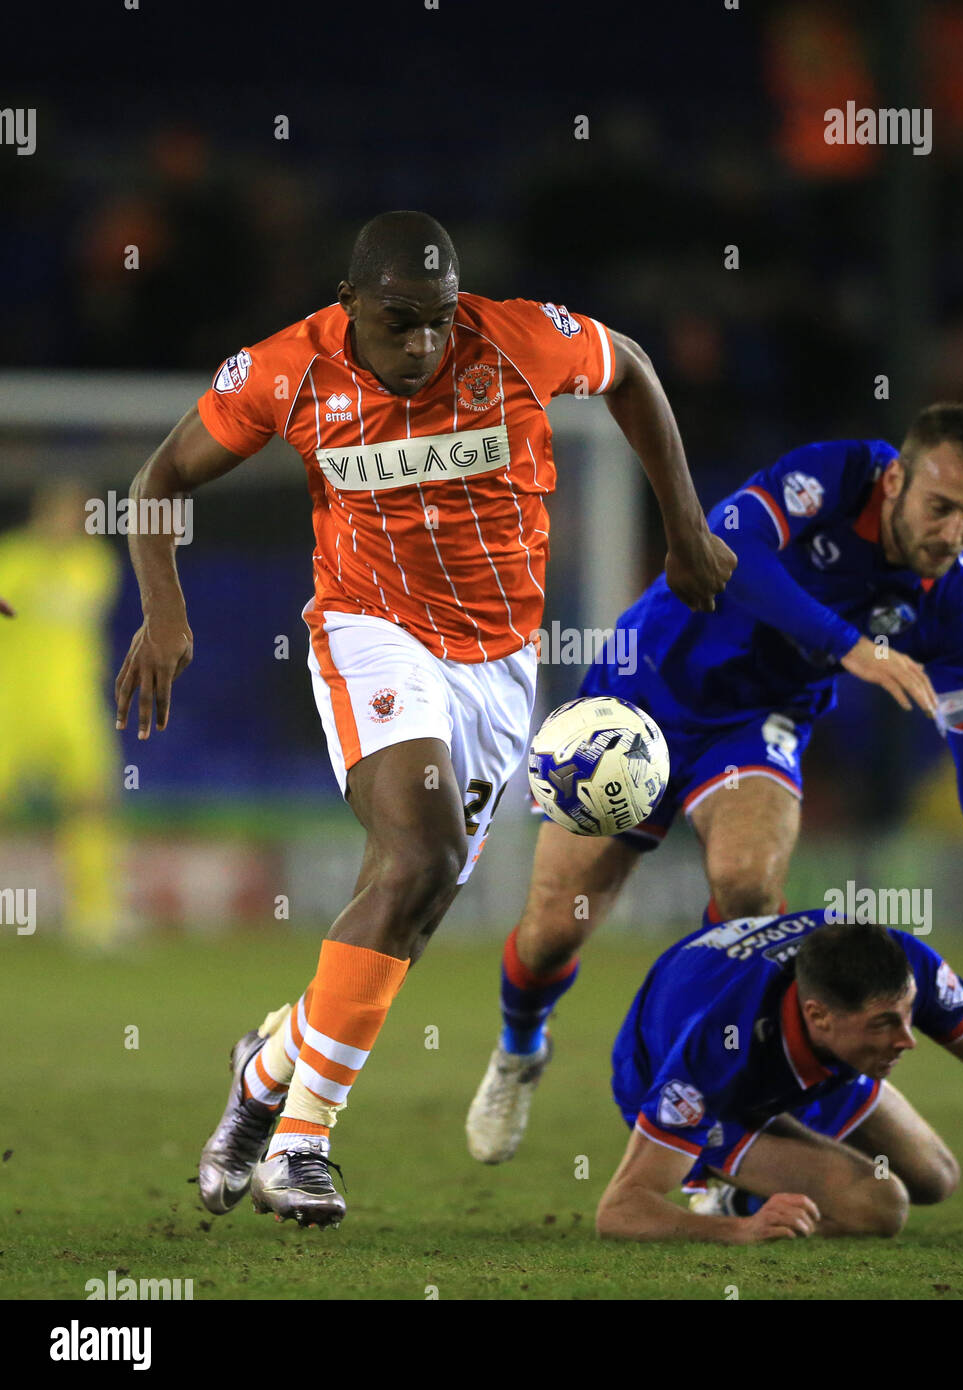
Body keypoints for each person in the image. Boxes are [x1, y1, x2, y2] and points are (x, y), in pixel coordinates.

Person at [114, 210, 735, 1229]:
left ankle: (266, 1065)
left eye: (437, 322)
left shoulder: (516, 340)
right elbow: (160, 479)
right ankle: (301, 1142)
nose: (421, 345)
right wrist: (166, 612)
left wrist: (683, 525)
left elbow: (628, 368)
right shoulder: (287, 371)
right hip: (371, 631)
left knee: (417, 900)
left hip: (497, 663)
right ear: (349, 303)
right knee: (416, 857)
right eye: (399, 321)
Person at [466, 404, 963, 1166]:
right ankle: (520, 1047)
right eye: (942, 507)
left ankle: (714, 1100)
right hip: (644, 691)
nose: (954, 532)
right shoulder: (835, 478)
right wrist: (850, 646)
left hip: (757, 721)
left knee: (748, 890)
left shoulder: (955, 597)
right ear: (897, 480)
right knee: (551, 932)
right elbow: (726, 547)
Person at [595, 910, 963, 1247]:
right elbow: (620, 1210)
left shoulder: (903, 964)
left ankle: (751, 1191)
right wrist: (738, 1235)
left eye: (907, 1015)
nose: (908, 1039)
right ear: (818, 1015)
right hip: (708, 1093)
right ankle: (733, 1203)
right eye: (884, 1025)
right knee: (879, 1205)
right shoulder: (714, 1045)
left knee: (937, 1177)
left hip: (813, 1065)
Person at [0, 480, 122, 948]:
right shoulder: (13, 558)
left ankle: (94, 917)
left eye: (76, 515)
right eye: (60, 512)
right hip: (12, 703)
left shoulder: (94, 564)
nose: (67, 523)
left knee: (92, 804)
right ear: (41, 512)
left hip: (73, 704)